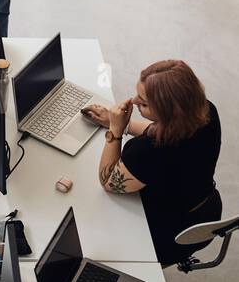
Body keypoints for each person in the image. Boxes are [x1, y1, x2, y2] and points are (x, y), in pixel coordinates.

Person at [84, 60, 221, 265]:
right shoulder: (205, 111)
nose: (133, 100)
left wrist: (115, 130)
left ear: (169, 113)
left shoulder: (150, 150)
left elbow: (109, 181)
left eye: (144, 103)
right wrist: (125, 124)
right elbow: (160, 130)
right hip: (205, 210)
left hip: (170, 233)